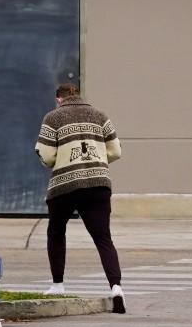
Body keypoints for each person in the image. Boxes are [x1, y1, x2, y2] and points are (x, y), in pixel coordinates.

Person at [35, 83, 125, 313]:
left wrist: (57, 161)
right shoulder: (100, 115)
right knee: (103, 238)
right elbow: (115, 151)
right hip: (98, 184)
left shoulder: (53, 118)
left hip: (66, 186)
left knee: (56, 232)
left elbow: (46, 155)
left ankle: (58, 285)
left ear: (59, 99)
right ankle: (116, 288)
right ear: (78, 95)